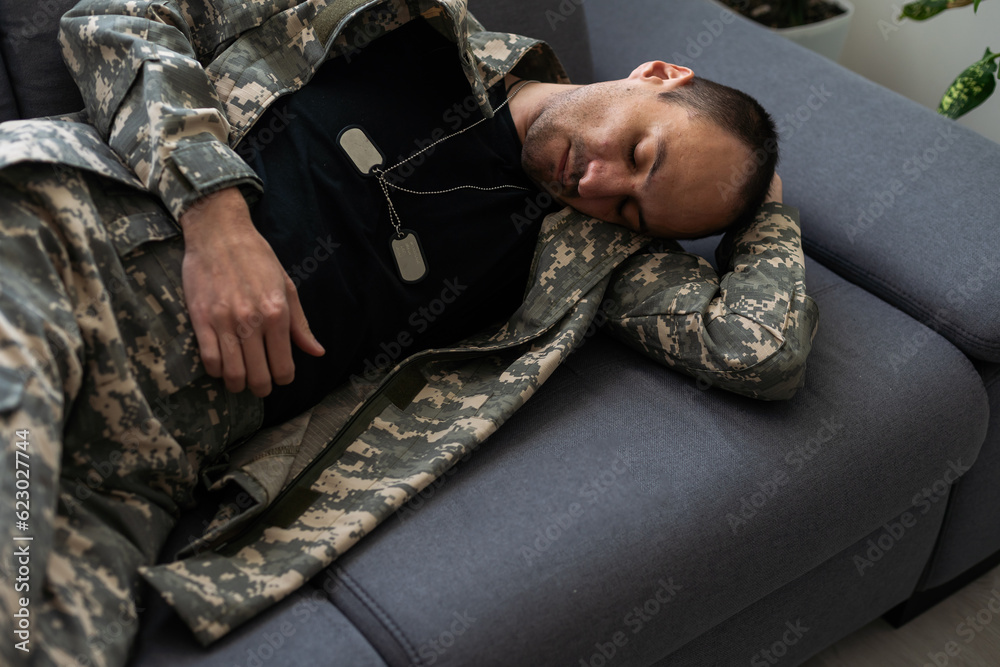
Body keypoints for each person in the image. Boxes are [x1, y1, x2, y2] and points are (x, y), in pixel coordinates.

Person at [0, 0, 818, 664]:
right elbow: (114, 17)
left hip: (144, 468)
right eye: (639, 150)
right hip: (57, 253)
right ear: (660, 75)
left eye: (633, 209)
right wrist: (216, 217)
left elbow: (759, 350)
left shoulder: (584, 254)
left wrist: (766, 212)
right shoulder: (393, 22)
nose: (598, 184)